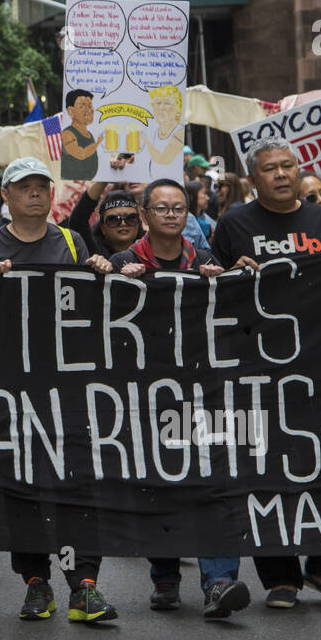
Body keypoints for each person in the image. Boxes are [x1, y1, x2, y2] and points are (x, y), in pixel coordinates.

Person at [0, 157, 118, 626]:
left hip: (70, 386)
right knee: (24, 485)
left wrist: (100, 268)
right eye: (23, 187)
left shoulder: (73, 241)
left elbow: (97, 309)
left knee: (77, 480)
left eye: (41, 186)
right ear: (6, 197)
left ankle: (85, 585)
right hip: (12, 390)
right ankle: (36, 582)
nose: (34, 193)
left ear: (52, 195)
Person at [211, 137, 321, 609]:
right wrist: (231, 269)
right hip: (259, 366)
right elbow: (210, 287)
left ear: (298, 170)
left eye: (288, 165)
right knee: (269, 466)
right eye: (269, 168)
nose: (281, 174)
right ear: (253, 179)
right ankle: (281, 576)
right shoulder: (234, 223)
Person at [108, 181, 247, 618]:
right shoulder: (124, 261)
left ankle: (220, 582)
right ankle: (165, 577)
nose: (171, 214)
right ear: (145, 215)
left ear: (188, 214)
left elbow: (232, 321)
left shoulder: (205, 260)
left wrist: (230, 280)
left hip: (202, 389)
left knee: (213, 477)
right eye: (161, 208)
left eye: (179, 208)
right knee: (159, 481)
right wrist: (115, 283)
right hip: (145, 391)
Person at [67, 182, 143, 258]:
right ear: (103, 228)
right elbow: (78, 220)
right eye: (113, 219)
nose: (123, 223)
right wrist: (103, 179)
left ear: (138, 223)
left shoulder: (150, 247)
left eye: (131, 218)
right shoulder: (92, 250)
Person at [59, 89, 102, 180]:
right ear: (71, 111)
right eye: (82, 106)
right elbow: (81, 154)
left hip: (88, 185)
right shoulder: (67, 134)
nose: (89, 110)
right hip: (71, 187)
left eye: (90, 106)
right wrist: (98, 143)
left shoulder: (89, 134)